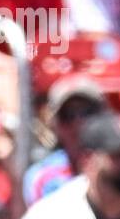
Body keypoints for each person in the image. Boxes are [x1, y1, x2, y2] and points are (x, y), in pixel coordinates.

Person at [22, 76, 107, 206]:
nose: (78, 123)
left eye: (88, 112)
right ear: (54, 124)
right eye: (68, 115)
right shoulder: (42, 178)